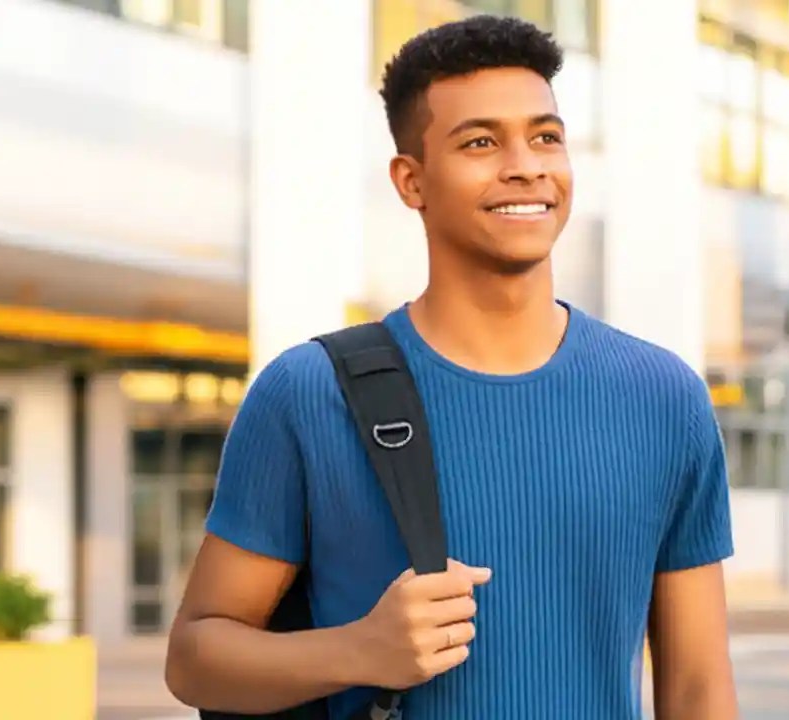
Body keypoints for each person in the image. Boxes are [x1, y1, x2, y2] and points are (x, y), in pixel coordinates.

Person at [165, 14, 738, 719]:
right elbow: (195, 657)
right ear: (412, 181)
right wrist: (360, 650)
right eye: (480, 142)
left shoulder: (663, 398)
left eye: (546, 136)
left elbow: (698, 687)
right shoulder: (310, 394)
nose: (526, 164)